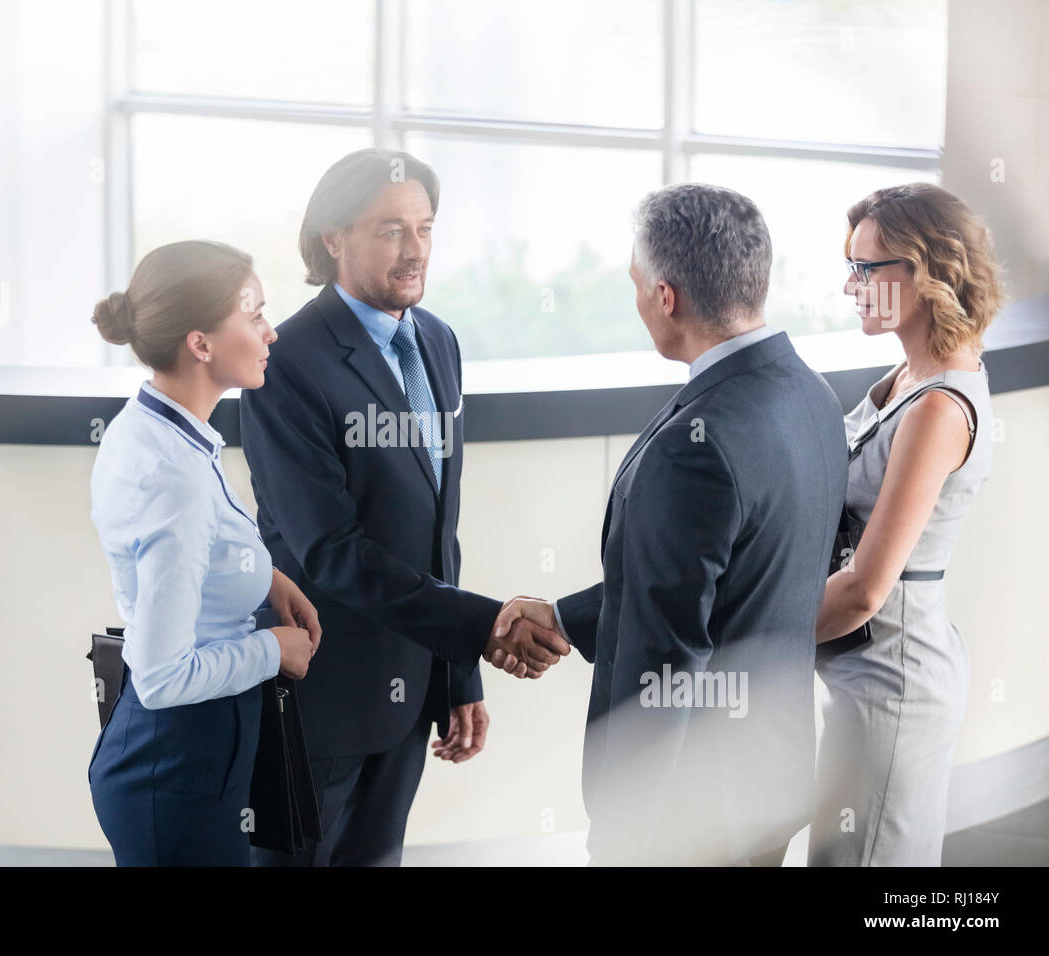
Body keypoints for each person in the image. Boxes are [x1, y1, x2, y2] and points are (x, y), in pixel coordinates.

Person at [491, 183, 848, 866]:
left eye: (635, 285)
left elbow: (671, 656)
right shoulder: (812, 396)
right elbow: (725, 581)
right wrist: (565, 618)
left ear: (666, 297)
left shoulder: (699, 445)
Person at [239, 148, 568, 867]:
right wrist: (485, 626)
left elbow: (436, 534)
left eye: (425, 227)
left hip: (411, 694)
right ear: (333, 238)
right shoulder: (286, 362)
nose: (415, 249)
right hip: (319, 696)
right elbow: (330, 550)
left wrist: (457, 673)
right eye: (391, 229)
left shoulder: (439, 342)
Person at [86, 239, 321, 865]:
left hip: (188, 765)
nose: (271, 333)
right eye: (254, 316)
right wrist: (275, 649)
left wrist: (264, 576)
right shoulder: (176, 475)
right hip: (175, 773)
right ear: (201, 344)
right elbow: (164, 678)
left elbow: (190, 550)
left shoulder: (159, 429)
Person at [808, 183, 1003, 866]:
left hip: (892, 686)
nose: (849, 286)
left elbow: (864, 590)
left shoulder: (937, 409)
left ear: (925, 272)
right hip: (866, 674)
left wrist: (745, 632)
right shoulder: (908, 376)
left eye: (865, 269)